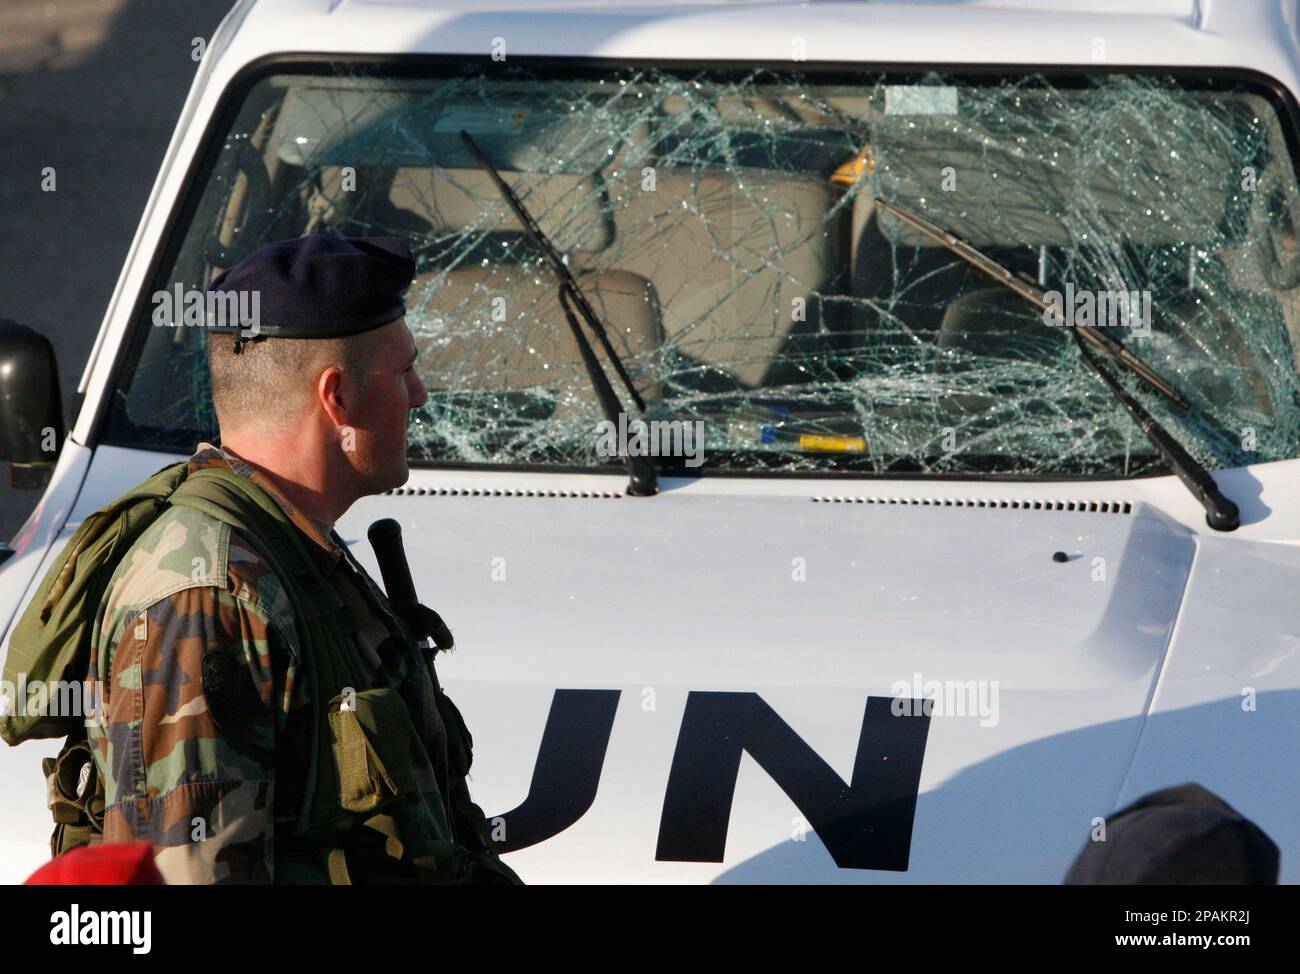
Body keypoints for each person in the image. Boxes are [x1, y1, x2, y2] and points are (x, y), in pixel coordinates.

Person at [85, 234, 520, 884]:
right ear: (337, 397)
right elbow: (186, 877)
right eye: (404, 372)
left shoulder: (293, 551)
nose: (421, 395)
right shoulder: (209, 595)